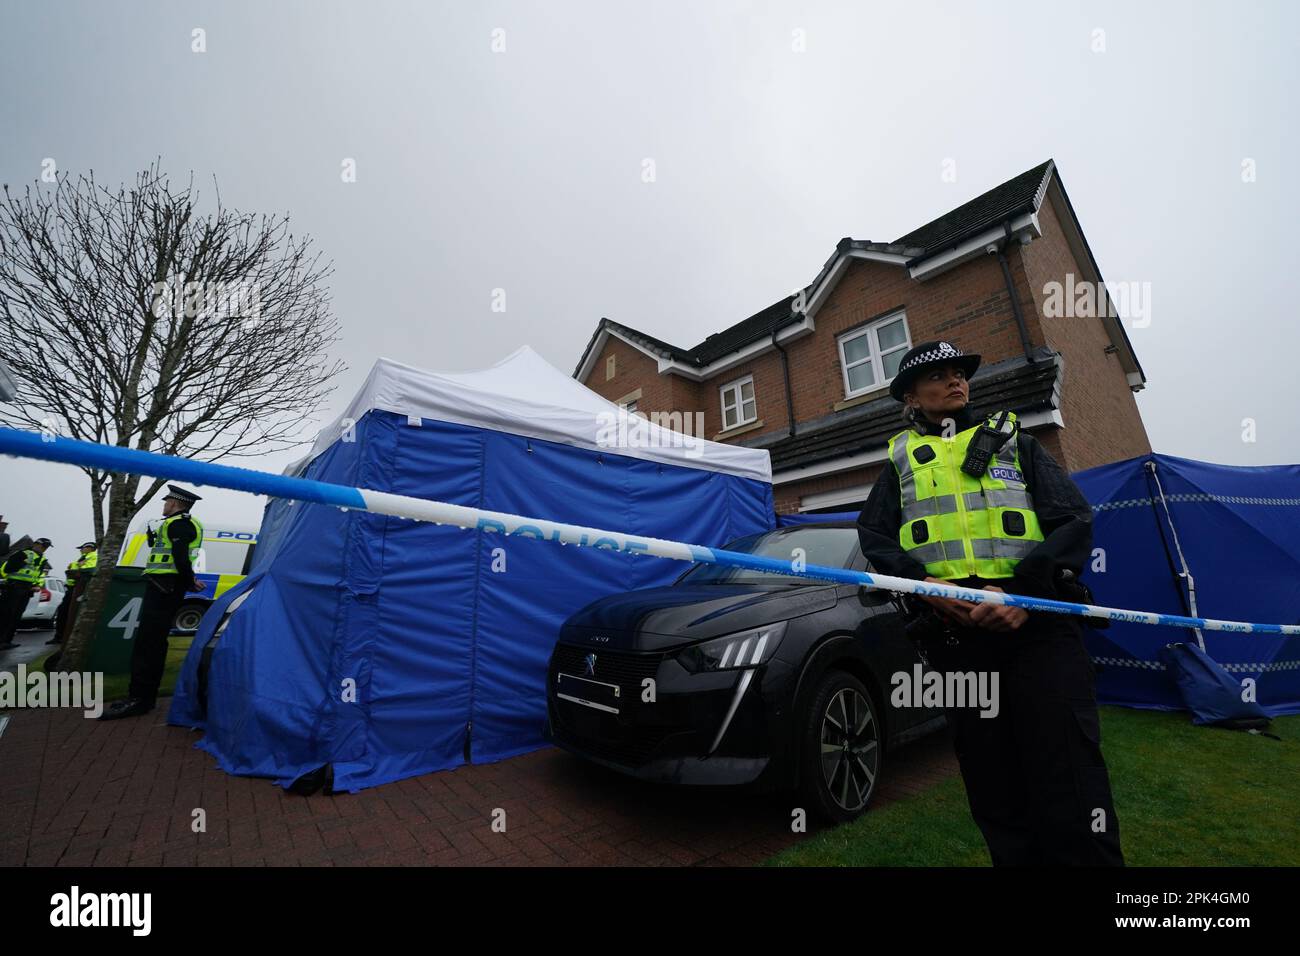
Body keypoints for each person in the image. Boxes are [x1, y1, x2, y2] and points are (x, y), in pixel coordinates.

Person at [857, 340, 1124, 866]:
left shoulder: (1015, 442)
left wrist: (1027, 595)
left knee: (1069, 774)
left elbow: (1072, 520)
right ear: (911, 395)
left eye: (960, 373)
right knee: (991, 779)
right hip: (957, 638)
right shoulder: (899, 460)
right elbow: (875, 537)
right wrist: (931, 591)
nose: (956, 381)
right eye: (939, 376)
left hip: (1038, 629)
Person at [100, 487, 205, 720]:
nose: (164, 505)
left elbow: (180, 556)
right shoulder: (172, 524)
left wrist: (188, 582)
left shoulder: (180, 524)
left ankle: (140, 699)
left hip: (165, 587)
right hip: (163, 585)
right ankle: (142, 697)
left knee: (149, 644)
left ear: (176, 503)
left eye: (167, 501)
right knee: (150, 643)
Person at [0, 536, 53, 650]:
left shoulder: (42, 560)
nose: (44, 549)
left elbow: (39, 575)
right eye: (43, 546)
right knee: (6, 614)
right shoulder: (22, 554)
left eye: (46, 547)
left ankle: (6, 641)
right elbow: (6, 569)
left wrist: (36, 585)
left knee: (16, 616)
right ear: (36, 544)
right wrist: (19, 566)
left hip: (27, 590)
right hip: (14, 588)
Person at [49, 540, 98, 645]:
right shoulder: (83, 558)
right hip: (72, 589)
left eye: (82, 548)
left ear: (90, 548)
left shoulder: (93, 556)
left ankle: (64, 637)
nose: (81, 550)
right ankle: (60, 636)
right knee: (64, 612)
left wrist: (77, 567)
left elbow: (88, 570)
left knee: (69, 612)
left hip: (79, 589)